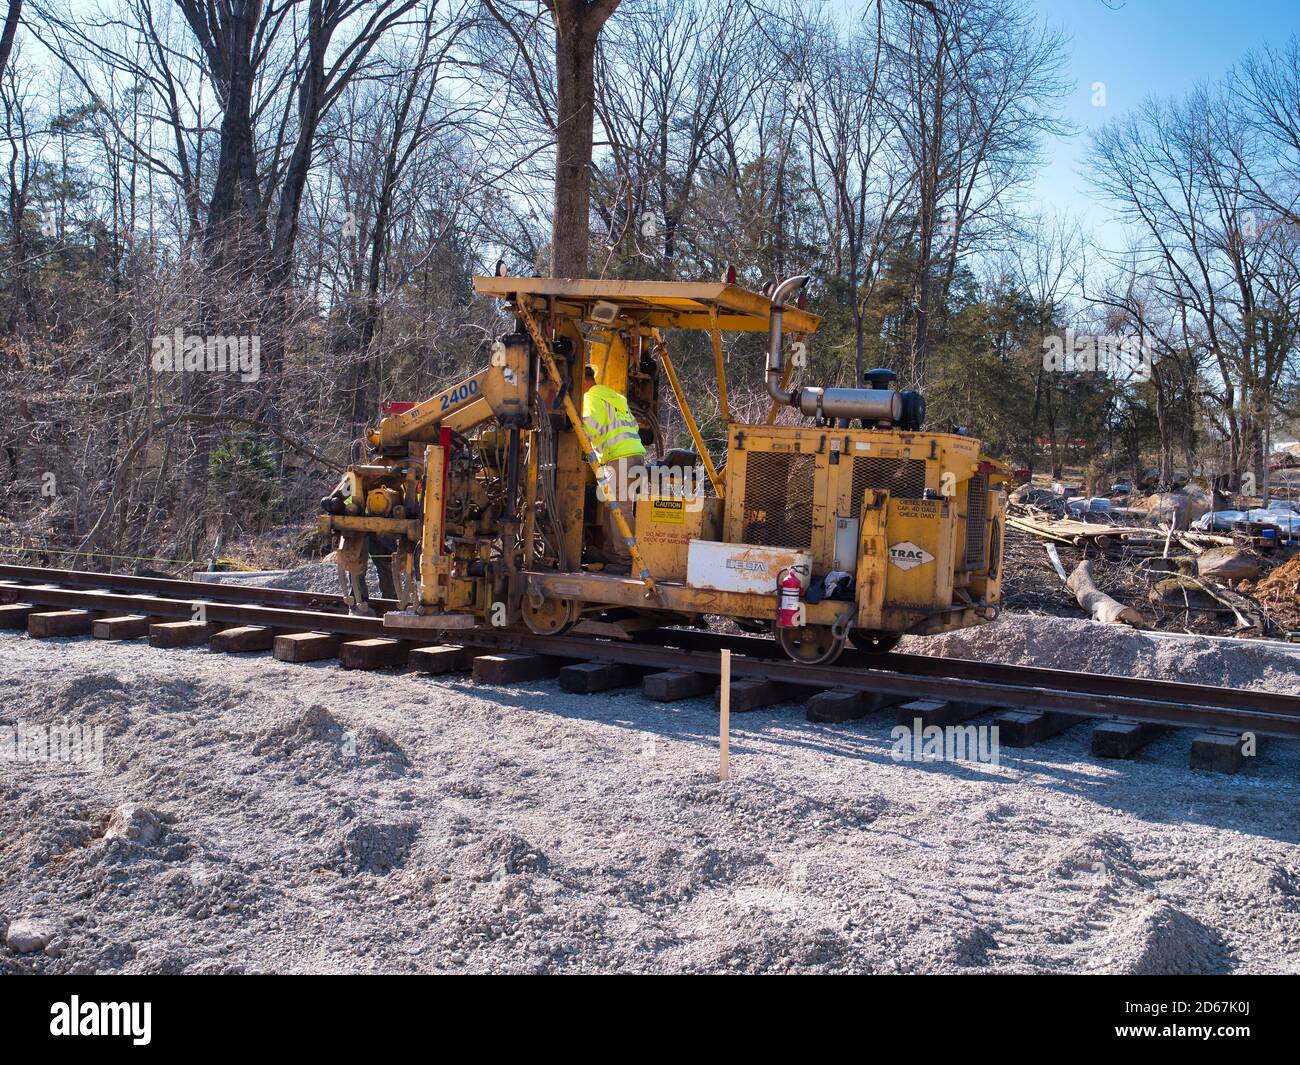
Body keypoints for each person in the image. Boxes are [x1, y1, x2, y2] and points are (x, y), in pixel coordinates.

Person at [582, 364, 646, 564]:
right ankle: (611, 551)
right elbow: (633, 425)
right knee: (613, 506)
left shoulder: (591, 397)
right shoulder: (615, 396)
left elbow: (591, 426)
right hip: (634, 454)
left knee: (620, 507)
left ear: (583, 381)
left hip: (619, 457)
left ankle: (628, 557)